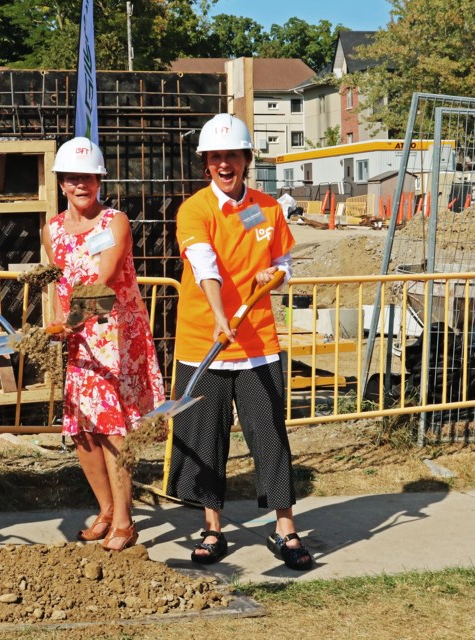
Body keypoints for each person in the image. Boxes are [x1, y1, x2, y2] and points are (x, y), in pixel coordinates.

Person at [167, 113, 313, 571]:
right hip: (203, 342)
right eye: (216, 157)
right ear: (206, 163)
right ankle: (213, 528)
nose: (224, 164)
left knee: (269, 435)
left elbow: (283, 258)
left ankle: (285, 529)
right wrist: (218, 316)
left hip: (258, 344)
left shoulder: (264, 208)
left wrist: (278, 274)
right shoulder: (195, 210)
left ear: (247, 159)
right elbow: (204, 264)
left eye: (232, 155)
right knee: (206, 439)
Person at [41, 137, 165, 552]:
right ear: (61, 183)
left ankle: (126, 523)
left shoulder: (116, 222)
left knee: (113, 430)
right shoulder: (52, 231)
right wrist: (63, 325)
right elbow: (63, 281)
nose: (81, 185)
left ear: (99, 181)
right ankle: (106, 509)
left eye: (88, 178)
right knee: (83, 432)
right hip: (78, 343)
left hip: (115, 338)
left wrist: (70, 322)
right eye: (73, 178)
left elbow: (105, 279)